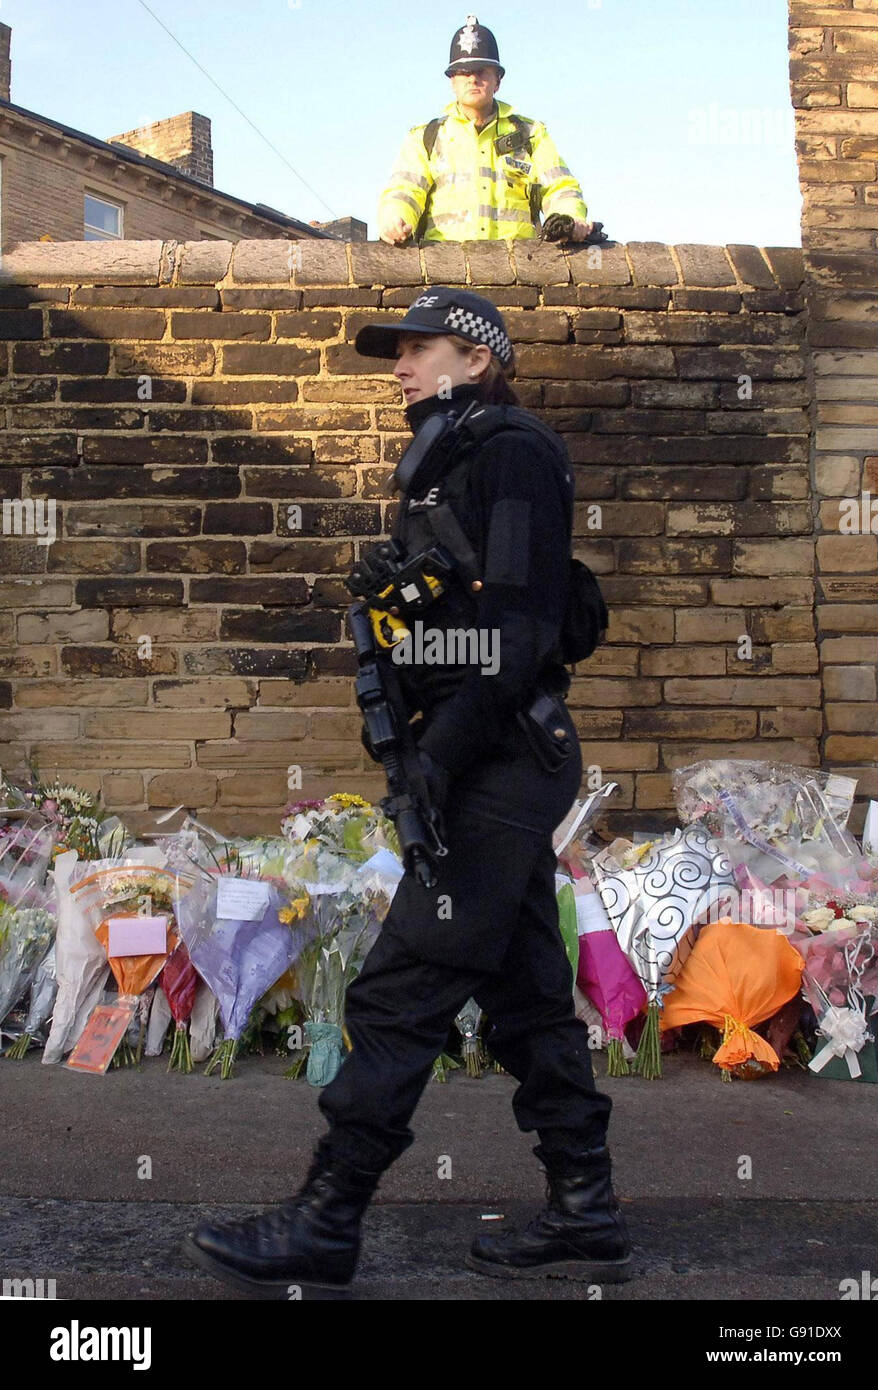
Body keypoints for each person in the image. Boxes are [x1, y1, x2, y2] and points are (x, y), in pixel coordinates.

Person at [183, 289, 630, 1296]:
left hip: (501, 759)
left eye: (418, 348)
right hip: (482, 756)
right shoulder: (448, 464)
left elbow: (517, 635)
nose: (399, 367)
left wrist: (442, 752)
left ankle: (325, 1219)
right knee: (521, 993)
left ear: (476, 358)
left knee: (401, 984)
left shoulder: (513, 451)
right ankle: (586, 1209)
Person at [379, 15, 598, 245]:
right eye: (463, 72)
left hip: (521, 269)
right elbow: (404, 190)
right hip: (442, 271)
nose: (472, 78)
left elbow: (559, 186)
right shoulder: (425, 138)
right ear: (452, 82)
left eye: (481, 71)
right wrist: (394, 218)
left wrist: (569, 217)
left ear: (498, 80)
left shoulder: (531, 134)